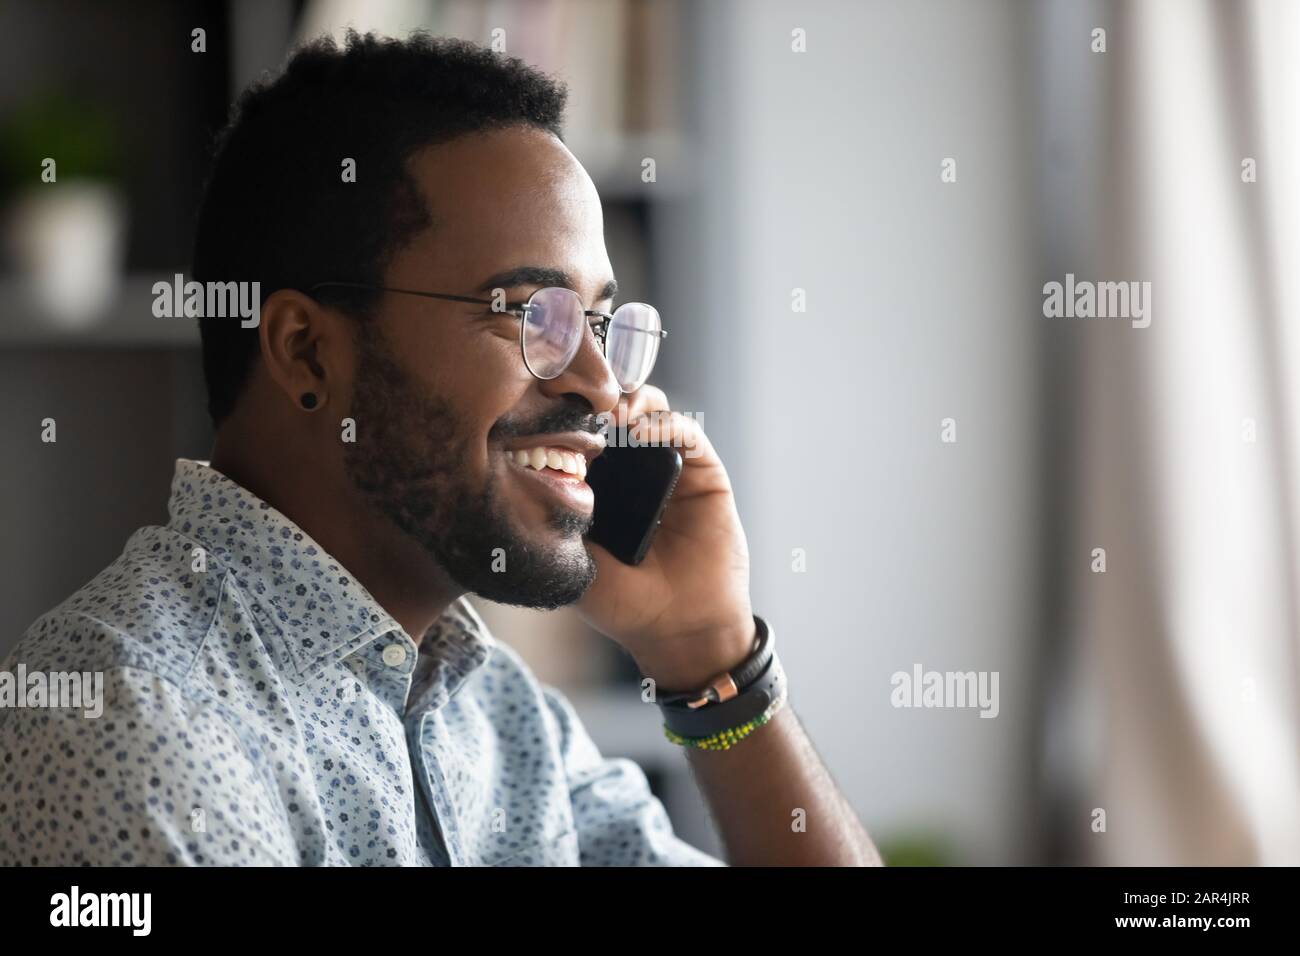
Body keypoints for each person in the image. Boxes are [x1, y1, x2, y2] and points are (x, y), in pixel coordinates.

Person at [0, 31, 879, 866]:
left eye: (601, 323)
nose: (605, 389)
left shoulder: (506, 721)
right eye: (532, 313)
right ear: (307, 352)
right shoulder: (134, 713)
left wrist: (711, 658)